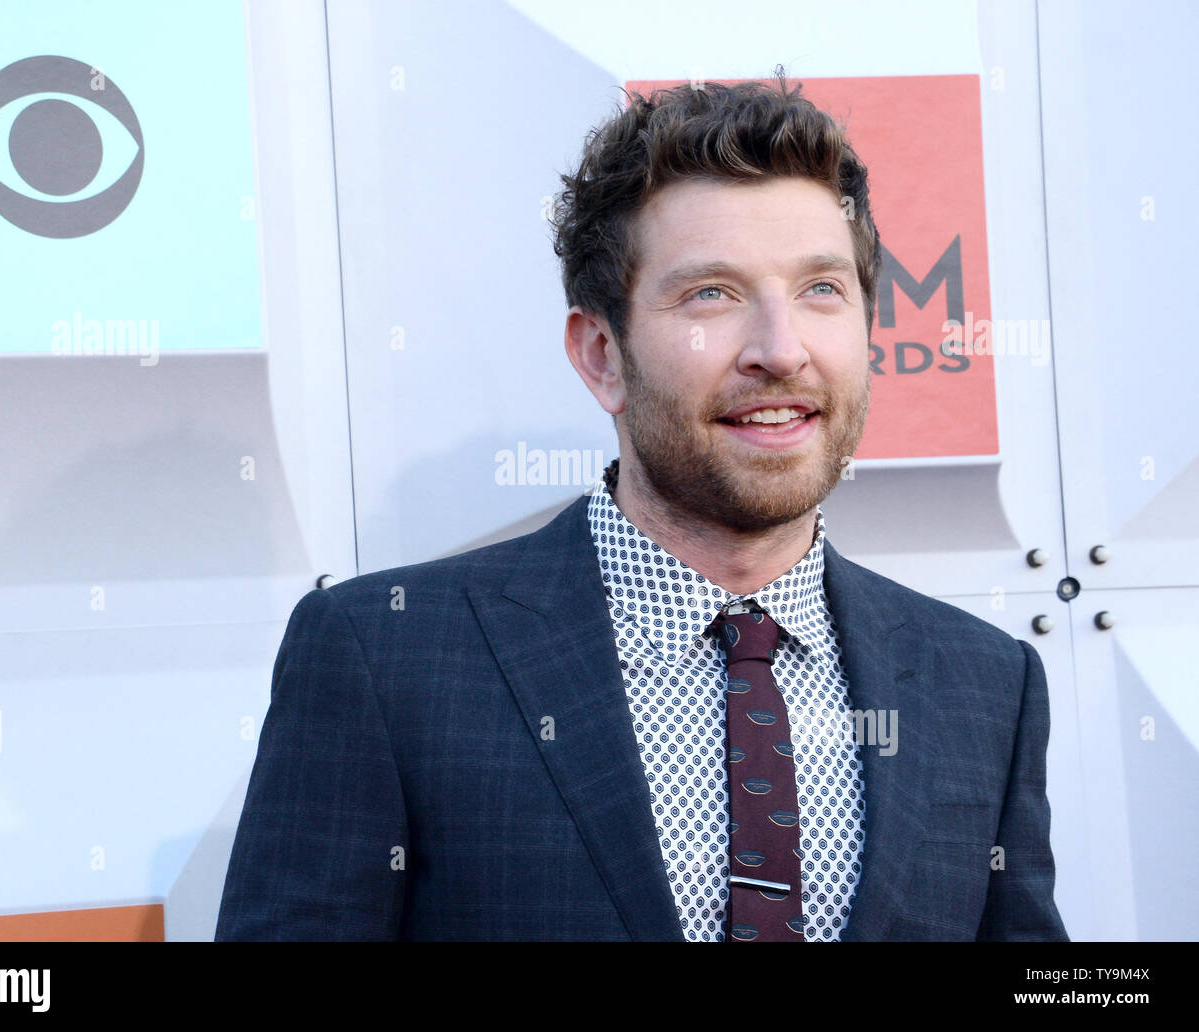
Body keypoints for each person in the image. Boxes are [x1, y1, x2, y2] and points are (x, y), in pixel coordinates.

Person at [215, 77, 1068, 942]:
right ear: (600, 355)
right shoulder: (384, 657)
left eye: (821, 290)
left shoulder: (985, 684)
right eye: (712, 295)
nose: (781, 351)